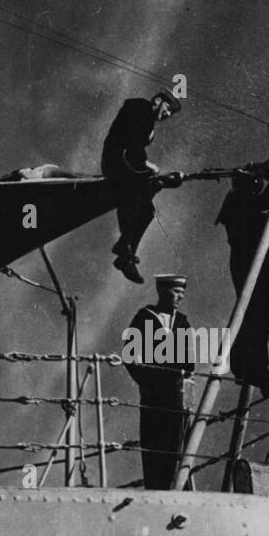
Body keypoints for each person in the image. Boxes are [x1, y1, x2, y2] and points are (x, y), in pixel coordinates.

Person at [215, 171, 269, 398]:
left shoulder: (242, 203)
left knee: (258, 318)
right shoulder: (238, 198)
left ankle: (250, 370)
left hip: (256, 264)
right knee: (255, 318)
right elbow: (266, 201)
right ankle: (256, 372)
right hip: (250, 264)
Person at [122, 273, 195, 490]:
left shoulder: (182, 321)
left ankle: (175, 486)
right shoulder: (145, 317)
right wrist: (148, 379)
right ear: (162, 291)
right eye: (175, 291)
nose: (180, 297)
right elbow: (130, 354)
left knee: (176, 441)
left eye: (182, 292)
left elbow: (189, 361)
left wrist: (185, 379)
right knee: (154, 440)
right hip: (153, 392)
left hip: (177, 393)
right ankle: (155, 486)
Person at [101, 90, 182, 283]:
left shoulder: (147, 118)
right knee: (145, 187)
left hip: (126, 164)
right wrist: (147, 165)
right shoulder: (140, 108)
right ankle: (125, 249)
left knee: (146, 210)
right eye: (167, 108)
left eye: (170, 113)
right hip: (118, 162)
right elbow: (132, 141)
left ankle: (125, 251)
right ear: (157, 101)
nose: (167, 114)